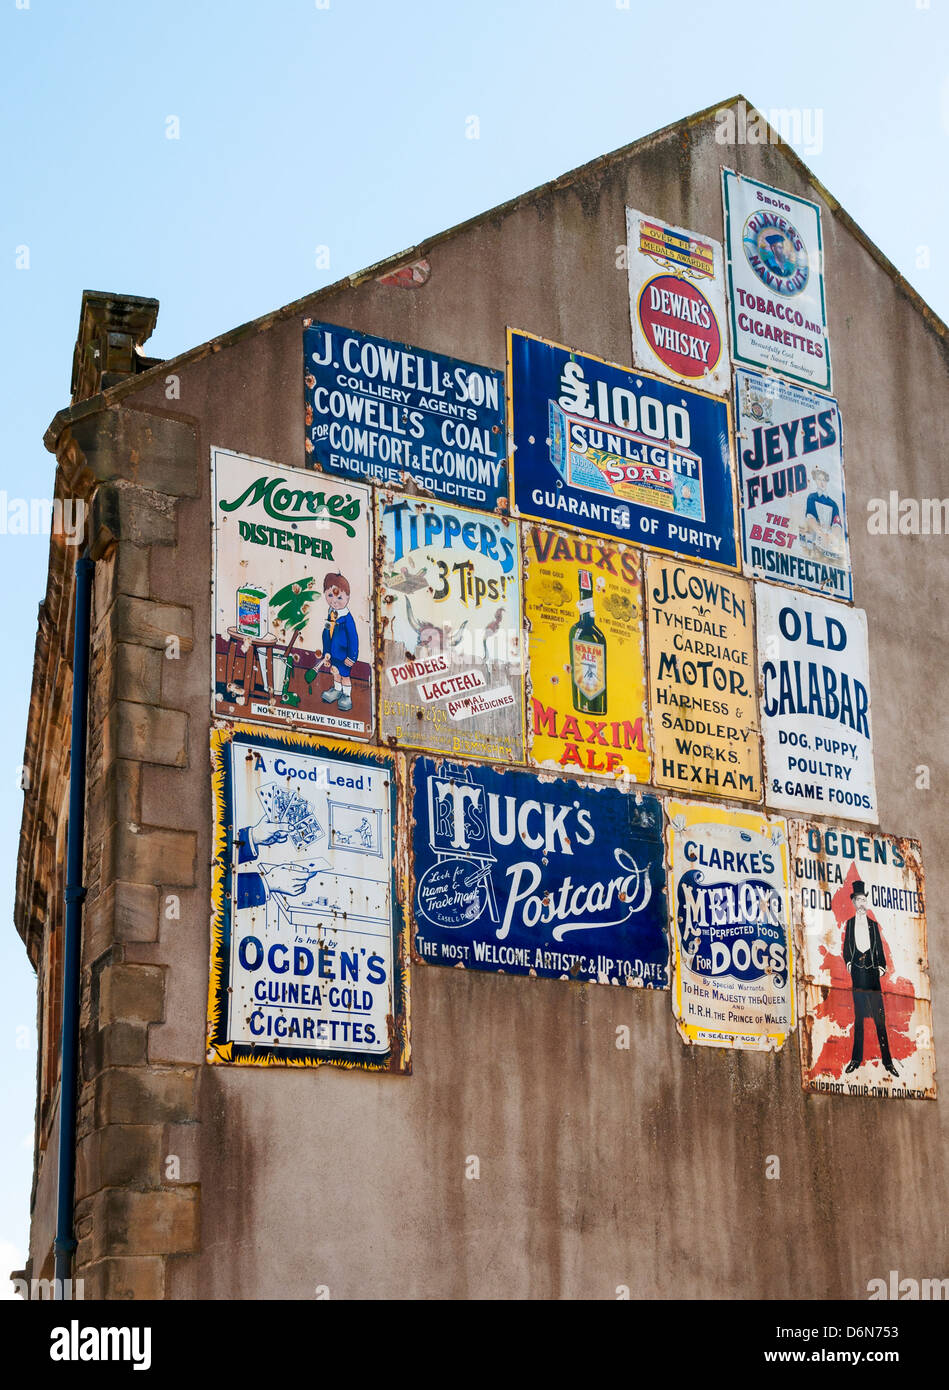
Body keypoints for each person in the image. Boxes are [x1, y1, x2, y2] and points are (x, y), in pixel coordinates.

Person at [843, 880, 898, 1077]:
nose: (862, 903)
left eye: (864, 899)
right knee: (859, 1019)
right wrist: (849, 962)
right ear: (854, 902)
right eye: (859, 900)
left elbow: (879, 946)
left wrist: (882, 966)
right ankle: (856, 1060)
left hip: (873, 975)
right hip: (858, 973)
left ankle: (888, 1062)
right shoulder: (849, 924)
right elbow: (847, 946)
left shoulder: (873, 925)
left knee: (879, 1019)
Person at [319, 572, 358, 712]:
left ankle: (346, 695)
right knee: (335, 672)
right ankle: (336, 690)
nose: (334, 600)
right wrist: (326, 653)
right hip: (333, 653)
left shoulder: (347, 619)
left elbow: (353, 638)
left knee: (345, 675)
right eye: (330, 595)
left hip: (344, 655)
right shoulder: (330, 615)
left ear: (347, 597)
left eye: (339, 597)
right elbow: (326, 634)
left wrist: (352, 657)